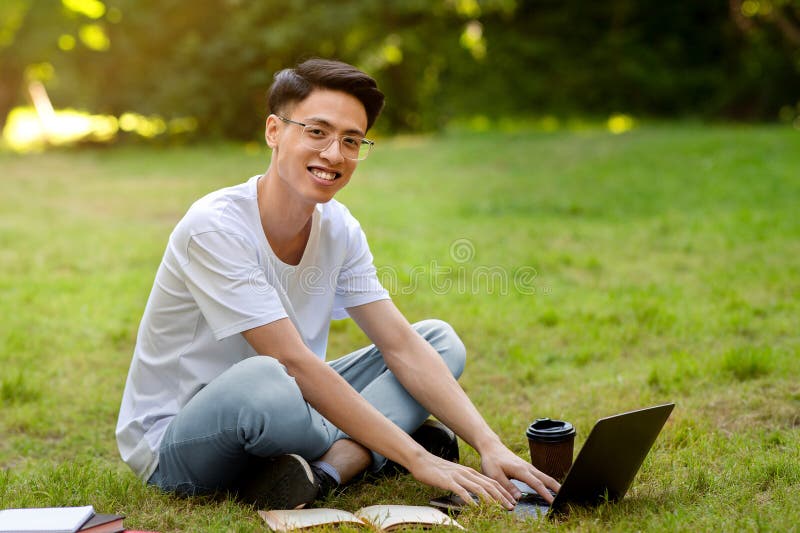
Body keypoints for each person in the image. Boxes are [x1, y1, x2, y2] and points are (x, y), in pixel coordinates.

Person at [115, 58, 559, 510]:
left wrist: (490, 445)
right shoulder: (214, 228)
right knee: (268, 380)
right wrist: (419, 457)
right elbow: (292, 361)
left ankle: (328, 470)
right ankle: (366, 449)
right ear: (274, 130)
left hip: (296, 403)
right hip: (179, 442)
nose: (334, 154)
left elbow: (400, 345)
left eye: (351, 141)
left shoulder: (338, 227)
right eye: (317, 132)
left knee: (439, 342)